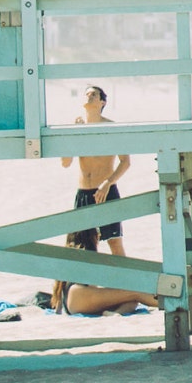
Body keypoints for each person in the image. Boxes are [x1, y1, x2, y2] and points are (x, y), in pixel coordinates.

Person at [61, 84, 130, 256]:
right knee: (82, 244)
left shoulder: (111, 128)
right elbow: (65, 162)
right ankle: (86, 283)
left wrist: (108, 183)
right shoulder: (77, 127)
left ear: (102, 102)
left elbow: (125, 162)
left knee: (114, 241)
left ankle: (123, 282)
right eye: (87, 94)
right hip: (84, 192)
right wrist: (72, 134)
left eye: (94, 94)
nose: (89, 97)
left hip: (105, 190)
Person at [51, 230, 157, 316]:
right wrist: (117, 246)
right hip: (80, 295)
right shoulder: (88, 254)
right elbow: (123, 277)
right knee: (136, 293)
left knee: (131, 299)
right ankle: (167, 303)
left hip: (69, 301)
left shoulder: (68, 254)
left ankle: (114, 314)